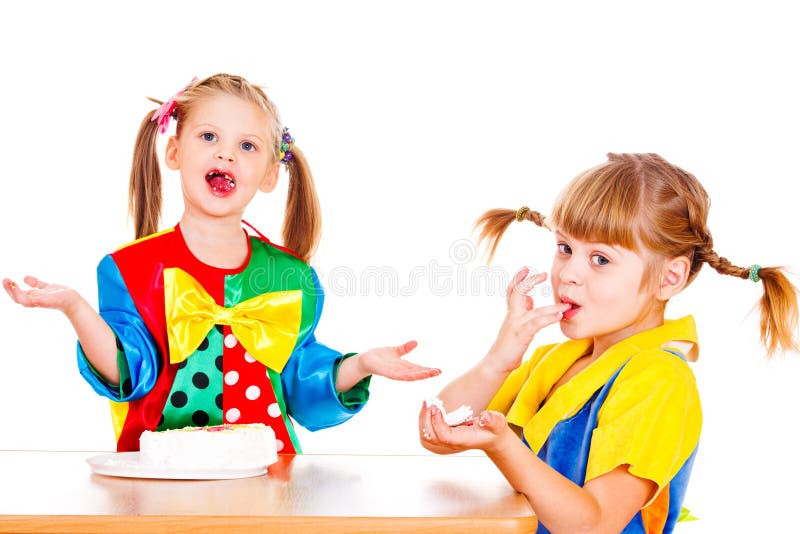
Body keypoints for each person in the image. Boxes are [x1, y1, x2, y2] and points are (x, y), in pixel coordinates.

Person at [3, 73, 439, 454]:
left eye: (247, 145)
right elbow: (125, 372)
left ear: (270, 174)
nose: (226, 154)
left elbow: (303, 389)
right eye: (209, 137)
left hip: (267, 484)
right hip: (161, 485)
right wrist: (76, 309)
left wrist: (359, 365)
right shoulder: (129, 268)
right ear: (174, 151)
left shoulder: (291, 277)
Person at [418, 153, 798, 533]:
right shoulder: (554, 360)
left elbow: (594, 525)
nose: (568, 274)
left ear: (670, 277)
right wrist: (497, 361)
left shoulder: (660, 379)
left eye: (600, 259)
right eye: (565, 248)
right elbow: (438, 431)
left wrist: (503, 446)